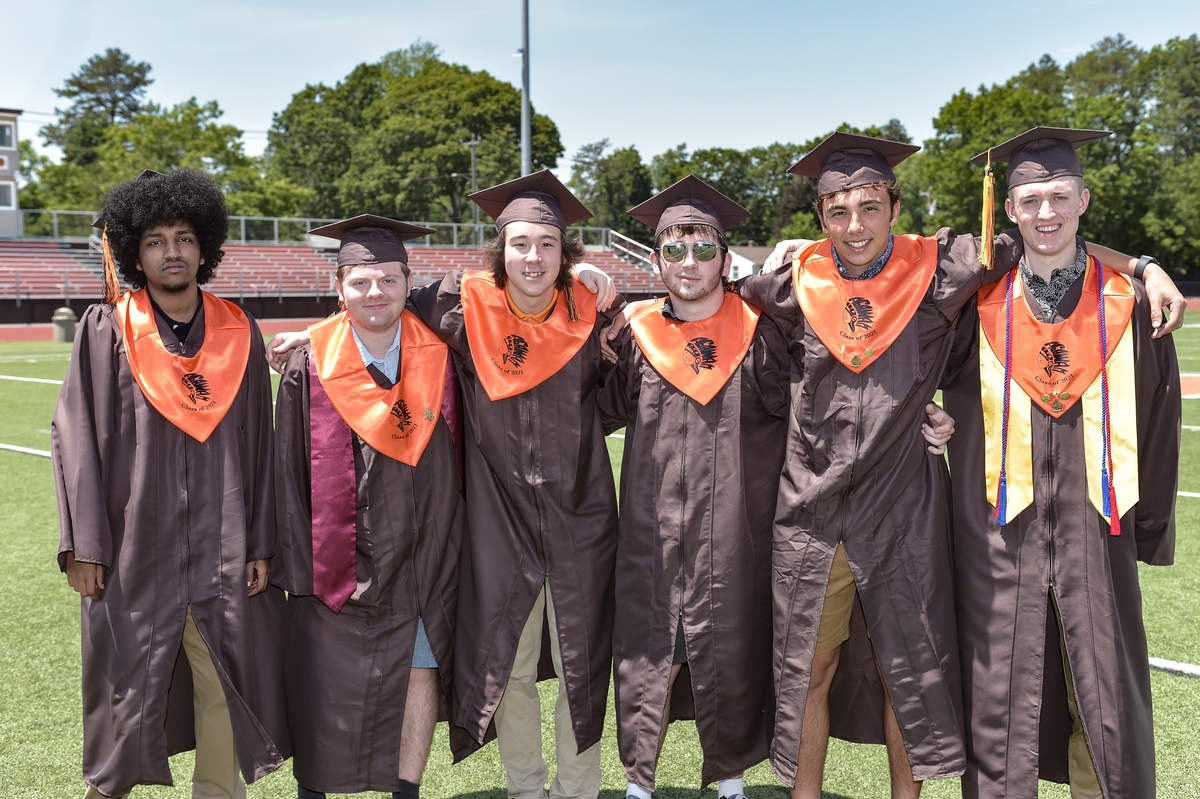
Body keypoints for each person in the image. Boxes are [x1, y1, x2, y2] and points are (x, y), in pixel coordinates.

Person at [728, 132, 1185, 799]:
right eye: (837, 209)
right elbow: (723, 304)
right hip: (833, 511)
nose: (854, 223)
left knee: (940, 673)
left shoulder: (946, 270)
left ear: (894, 203)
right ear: (820, 216)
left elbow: (1045, 248)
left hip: (931, 511)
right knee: (818, 667)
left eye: (870, 205)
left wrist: (1144, 265)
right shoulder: (799, 280)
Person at [266, 170, 621, 799]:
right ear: (499, 248)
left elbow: (626, 392)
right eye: (520, 242)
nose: (532, 257)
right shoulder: (462, 311)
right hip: (497, 524)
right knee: (506, 666)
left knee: (582, 669)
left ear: (565, 252)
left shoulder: (592, 319)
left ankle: (580, 791)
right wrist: (317, 333)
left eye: (547, 243)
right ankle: (525, 789)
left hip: (581, 517)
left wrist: (613, 295)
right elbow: (374, 306)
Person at [940, 127, 1180, 799]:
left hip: (1097, 532)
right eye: (1031, 199)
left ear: (1084, 200)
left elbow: (1161, 421)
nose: (1046, 212)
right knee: (997, 704)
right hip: (996, 534)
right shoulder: (974, 307)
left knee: (1106, 701)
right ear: (1009, 211)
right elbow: (911, 374)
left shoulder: (1129, 305)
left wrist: (1147, 527)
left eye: (1059, 196)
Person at [51, 168, 288, 799]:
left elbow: (260, 447)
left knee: (223, 687)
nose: (173, 251)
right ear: (135, 251)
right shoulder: (107, 330)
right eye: (155, 240)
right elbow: (75, 439)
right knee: (127, 686)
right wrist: (84, 546)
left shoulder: (238, 330)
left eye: (185, 237)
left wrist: (260, 542)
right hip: (134, 545)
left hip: (223, 542)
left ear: (205, 246)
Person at [597, 176, 791, 799]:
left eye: (704, 249)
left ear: (725, 257)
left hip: (736, 526)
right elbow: (585, 410)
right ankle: (638, 781)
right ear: (655, 260)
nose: (689, 263)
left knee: (731, 635)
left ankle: (730, 776)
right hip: (650, 528)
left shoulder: (763, 332)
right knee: (645, 643)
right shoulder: (634, 335)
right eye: (675, 251)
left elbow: (819, 405)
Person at [271, 215, 466, 799]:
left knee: (421, 665)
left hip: (424, 549)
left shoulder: (443, 356)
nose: (374, 292)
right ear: (339, 290)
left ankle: (406, 789)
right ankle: (316, 789)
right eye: (360, 282)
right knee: (327, 674)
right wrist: (294, 563)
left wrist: (586, 272)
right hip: (337, 556)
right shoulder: (309, 366)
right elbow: (286, 472)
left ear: (410, 284)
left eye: (387, 279)